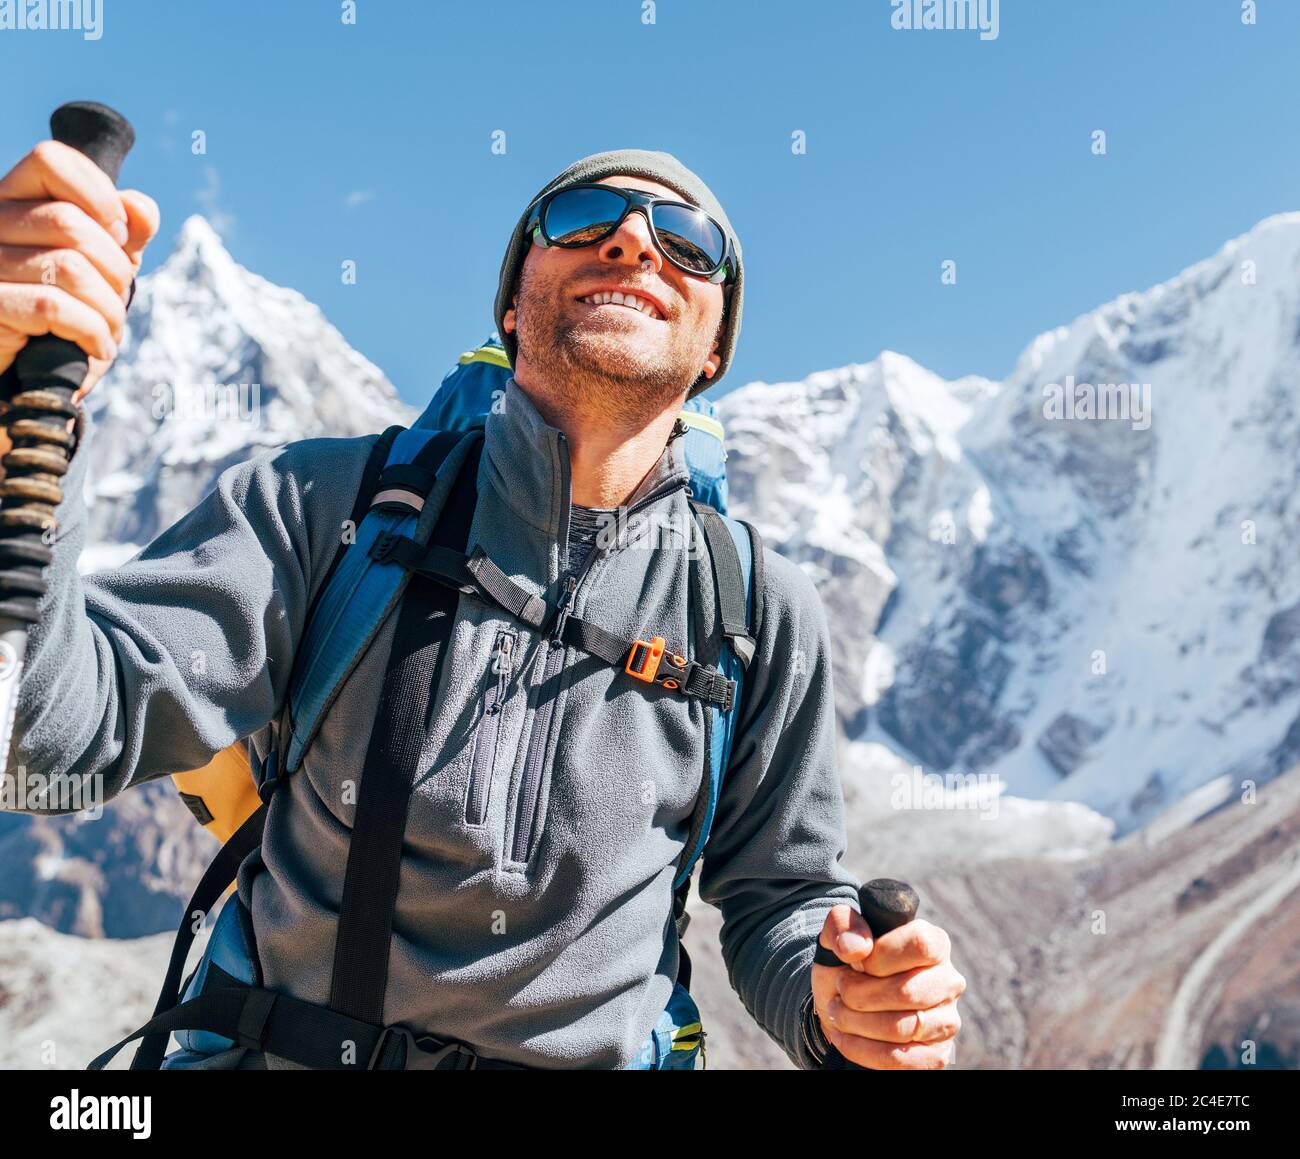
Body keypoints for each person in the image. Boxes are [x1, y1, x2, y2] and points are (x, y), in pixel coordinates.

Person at [0, 139, 964, 1069]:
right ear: (510, 304)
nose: (632, 241)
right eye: (583, 218)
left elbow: (780, 898)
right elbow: (43, 733)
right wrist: (24, 427)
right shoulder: (324, 506)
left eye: (689, 240)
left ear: (716, 349)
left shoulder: (755, 608)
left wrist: (843, 1002)